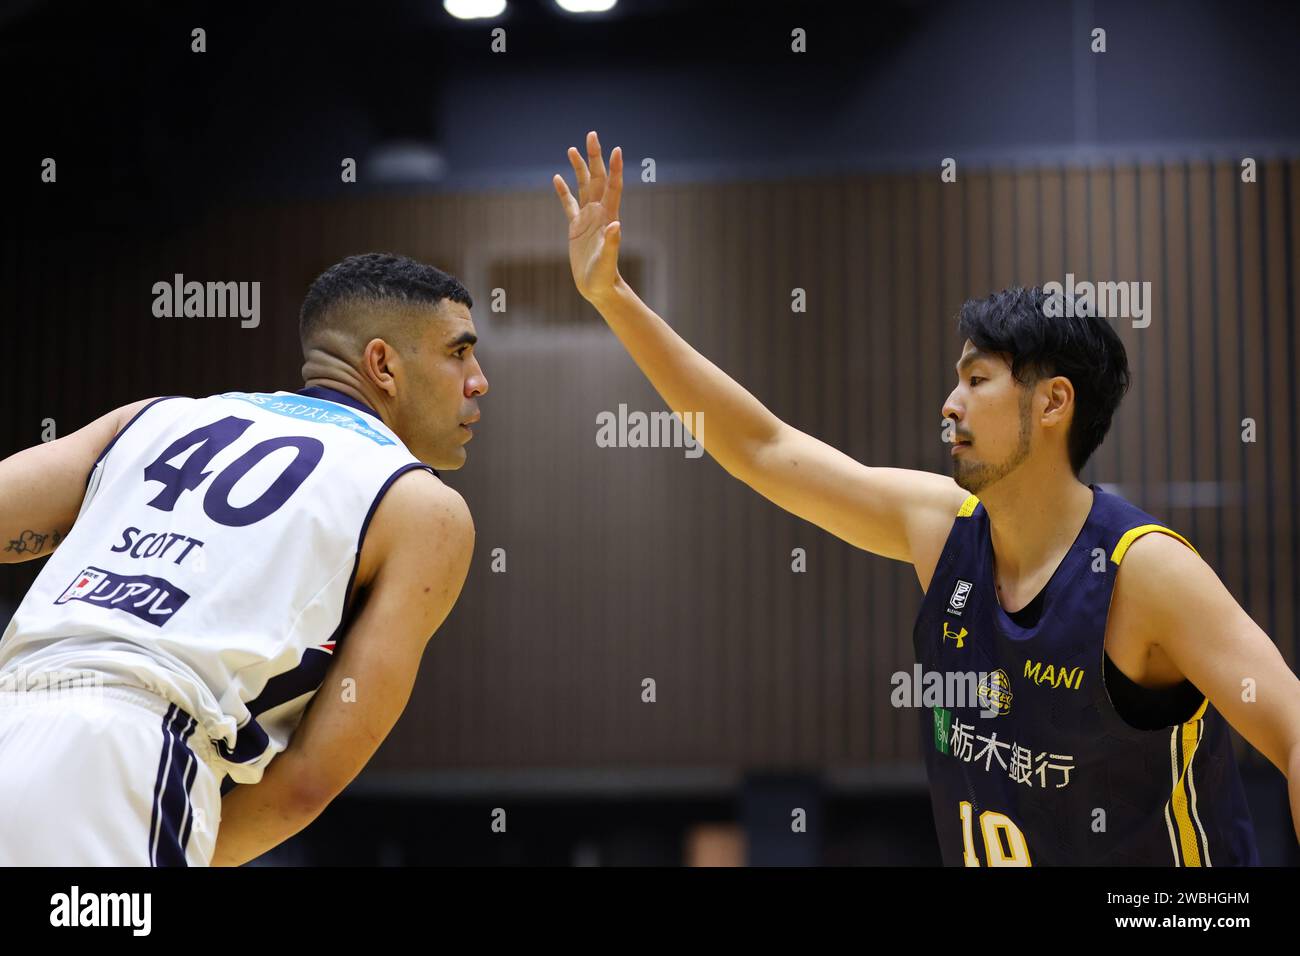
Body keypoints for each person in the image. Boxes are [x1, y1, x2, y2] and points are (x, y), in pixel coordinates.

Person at [553, 130, 1300, 865]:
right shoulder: (944, 530)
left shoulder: (1146, 573)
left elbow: (1293, 730)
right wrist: (613, 297)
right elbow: (762, 448)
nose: (950, 403)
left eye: (977, 380)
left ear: (1053, 403)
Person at [0, 252, 486, 866]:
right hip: (127, 760)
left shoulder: (154, 419)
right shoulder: (423, 507)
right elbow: (308, 780)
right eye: (458, 352)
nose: (479, 379)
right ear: (383, 364)